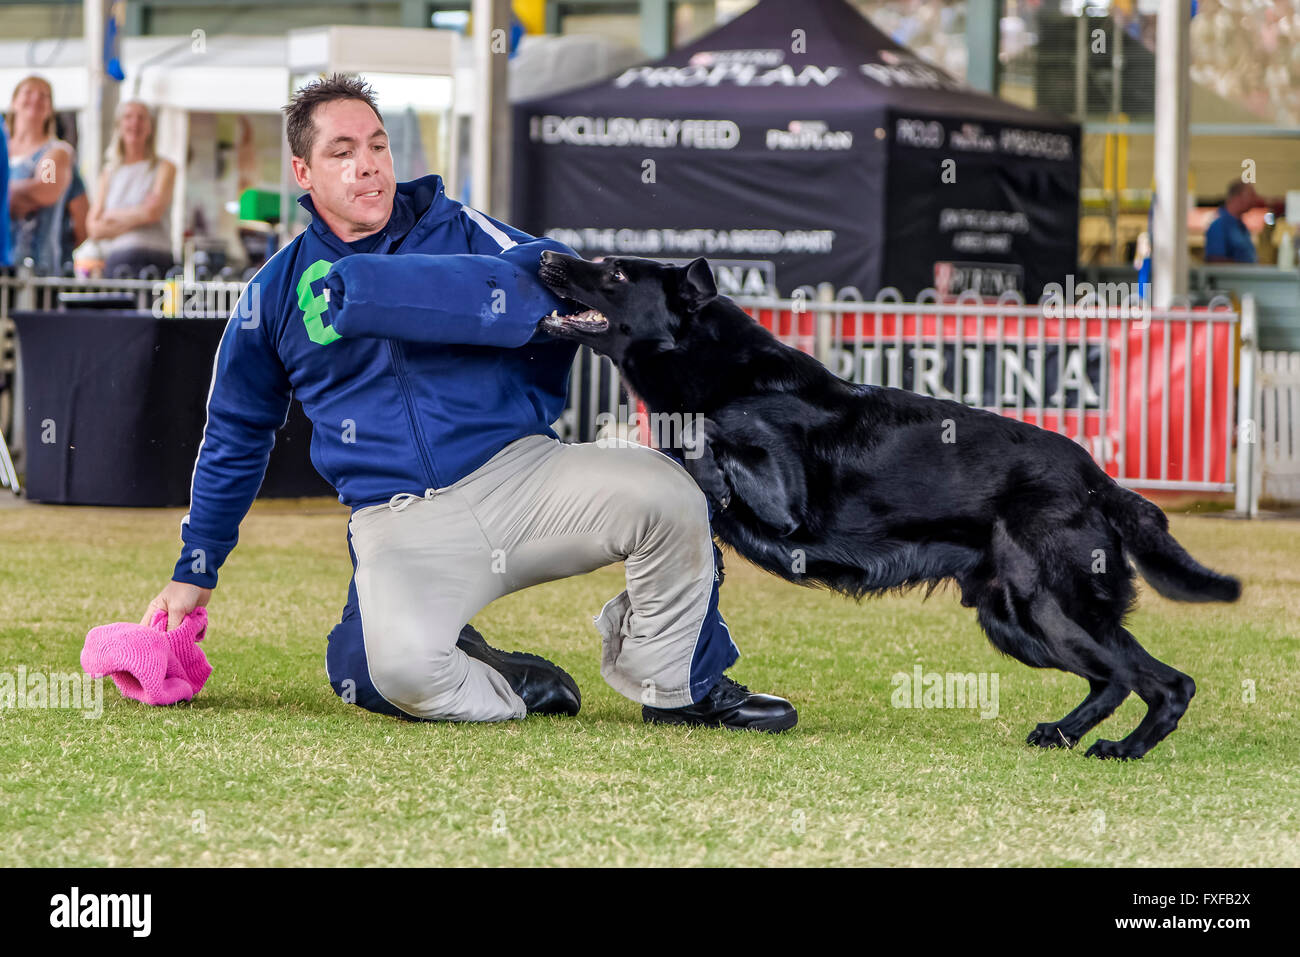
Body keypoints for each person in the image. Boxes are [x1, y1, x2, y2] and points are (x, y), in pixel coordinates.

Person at [141, 75, 794, 731]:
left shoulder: (460, 228)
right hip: (397, 519)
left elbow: (558, 279)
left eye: (377, 144)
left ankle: (681, 686)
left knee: (671, 494)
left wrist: (391, 290)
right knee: (379, 674)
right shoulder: (274, 291)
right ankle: (509, 684)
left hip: (523, 477)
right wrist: (194, 570)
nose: (368, 164)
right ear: (303, 171)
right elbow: (236, 434)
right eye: (343, 151)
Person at [86, 100, 176, 278]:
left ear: (150, 127)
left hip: (156, 259)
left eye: (141, 118)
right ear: (119, 125)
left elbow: (152, 213)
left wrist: (110, 215)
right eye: (128, 117)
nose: (135, 123)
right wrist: (139, 216)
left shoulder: (164, 167)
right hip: (118, 260)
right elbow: (94, 228)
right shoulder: (109, 172)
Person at [5, 75, 74, 275]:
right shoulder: (4, 149)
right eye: (28, 93)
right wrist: (20, 194)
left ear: (50, 108)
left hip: (37, 266)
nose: (35, 99)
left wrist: (4, 193)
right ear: (14, 101)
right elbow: (32, 192)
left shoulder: (54, 152)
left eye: (43, 96)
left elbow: (45, 189)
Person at [1204, 181, 1259, 264]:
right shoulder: (1218, 226)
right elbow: (1215, 261)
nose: (1254, 200)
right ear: (1237, 197)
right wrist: (1244, 267)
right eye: (1251, 195)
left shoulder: (1242, 227)